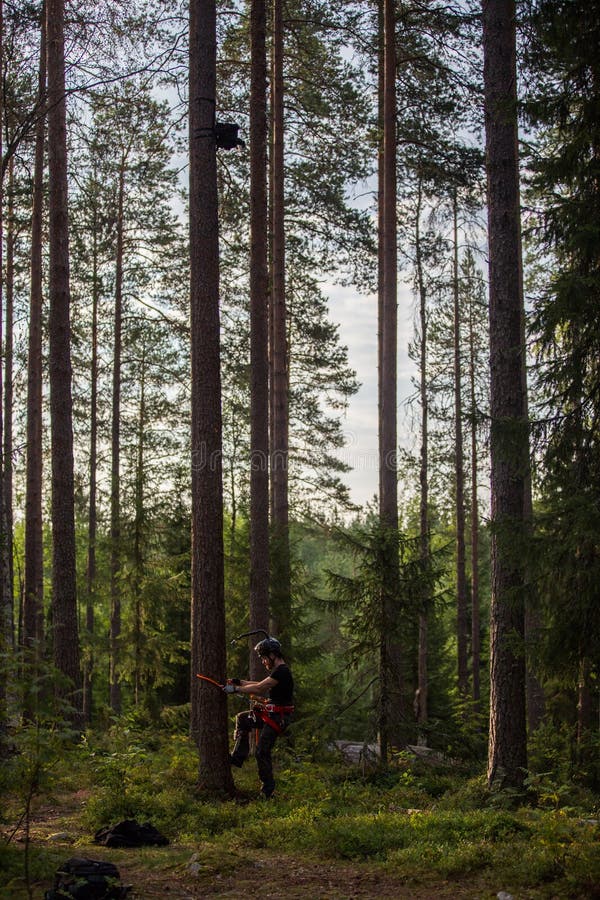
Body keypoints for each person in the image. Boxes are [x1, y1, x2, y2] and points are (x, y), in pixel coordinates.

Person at [224, 637, 294, 799]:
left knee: (262, 751)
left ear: (272, 655)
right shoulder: (278, 672)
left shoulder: (282, 671)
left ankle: (267, 791)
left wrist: (235, 689)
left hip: (278, 718)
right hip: (272, 715)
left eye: (263, 658)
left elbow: (260, 687)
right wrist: (239, 682)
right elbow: (260, 683)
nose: (263, 662)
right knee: (242, 719)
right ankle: (238, 757)